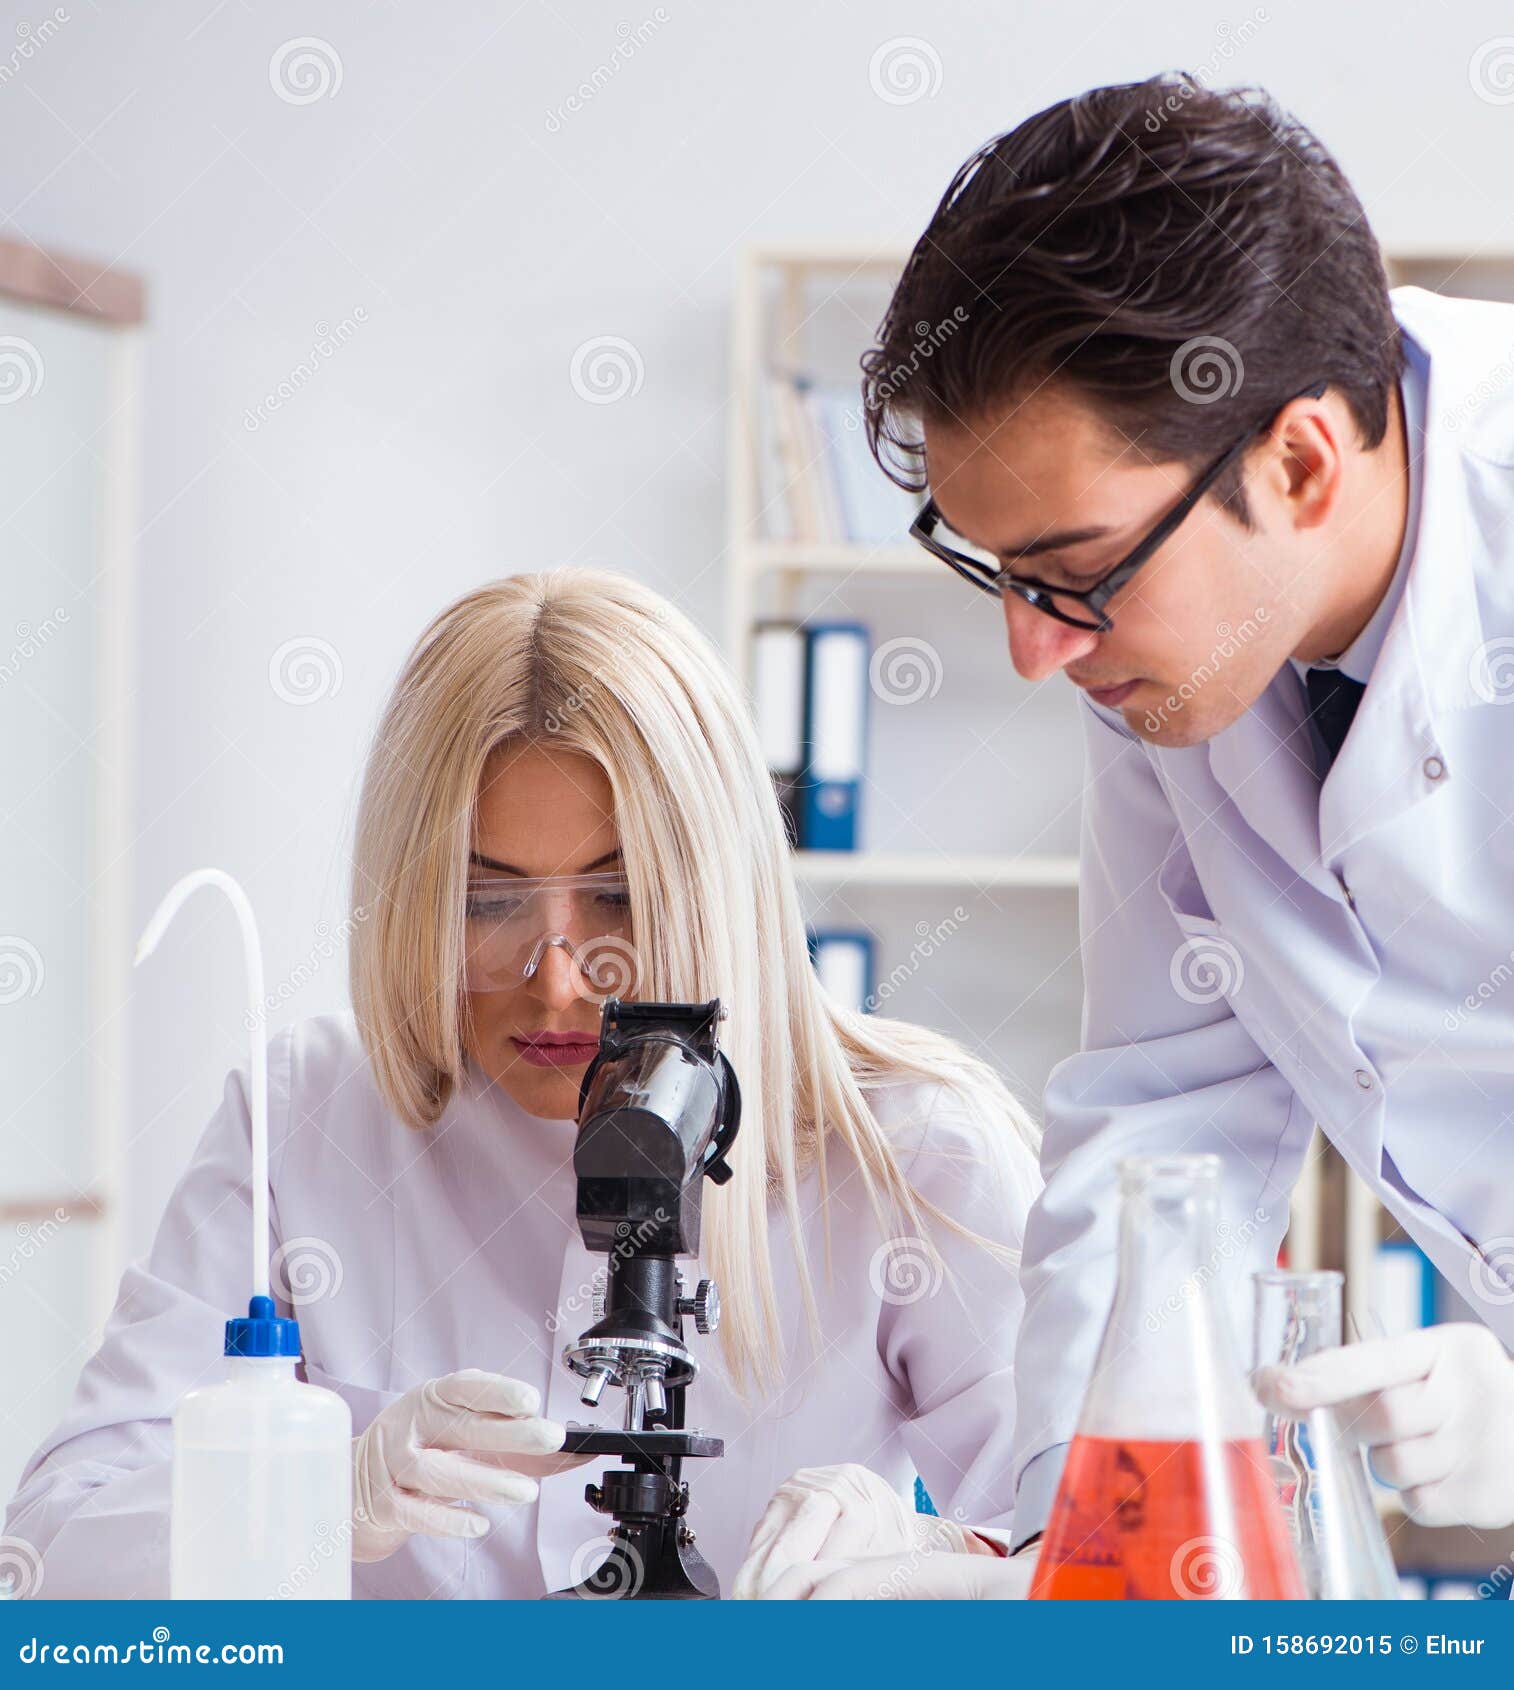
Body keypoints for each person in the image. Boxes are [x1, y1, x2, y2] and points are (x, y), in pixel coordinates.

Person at [754, 71, 1514, 1597]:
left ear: (1300, 461)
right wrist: (1070, 1529)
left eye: (1073, 571)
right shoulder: (1173, 669)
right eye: (999, 576)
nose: (1038, 653)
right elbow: (1167, 1111)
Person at [5, 568, 1039, 1598]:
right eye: (485, 898)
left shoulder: (913, 1149)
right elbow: (48, 1548)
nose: (556, 978)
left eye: (617, 896)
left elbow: (1103, 1565)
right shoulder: (302, 1116)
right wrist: (315, 1499)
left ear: (717, 889)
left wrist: (940, 1556)